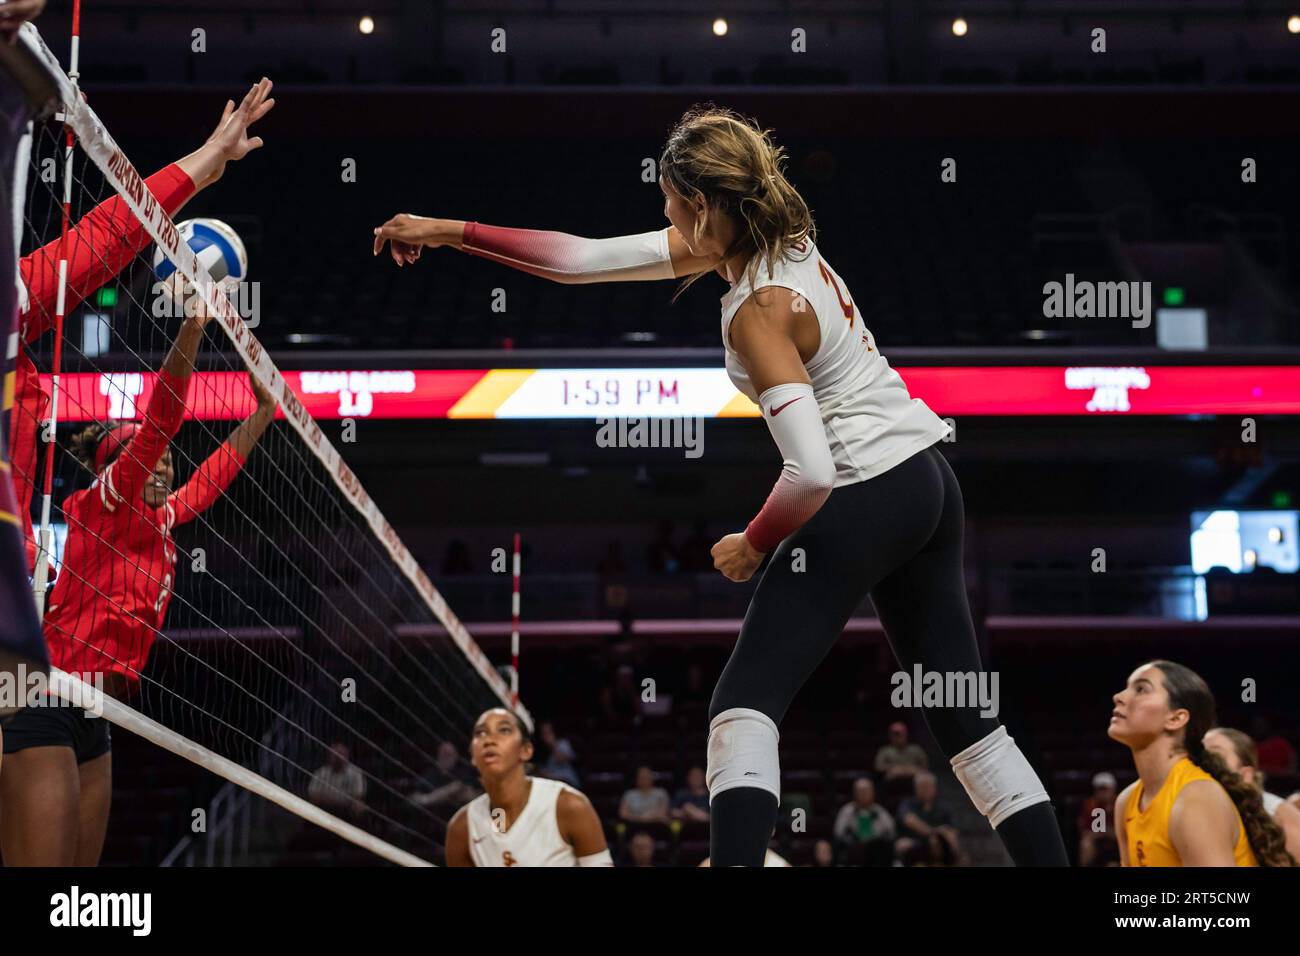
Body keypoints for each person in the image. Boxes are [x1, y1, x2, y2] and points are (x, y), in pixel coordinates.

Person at [372, 103, 1067, 867]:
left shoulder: (759, 313)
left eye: (669, 198)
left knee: (742, 707)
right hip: (927, 484)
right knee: (968, 723)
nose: (661, 210)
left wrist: (751, 543)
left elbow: (811, 472)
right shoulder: (772, 240)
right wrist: (449, 231)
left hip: (863, 490)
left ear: (701, 207)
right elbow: (580, 261)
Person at [0, 305, 277, 866]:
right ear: (115, 470)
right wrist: (192, 328)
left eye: (165, 463)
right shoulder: (108, 504)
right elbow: (161, 423)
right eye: (144, 461)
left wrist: (264, 413)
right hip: (48, 698)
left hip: (98, 714)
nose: (161, 469)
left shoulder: (163, 520)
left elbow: (210, 477)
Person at [1108, 660, 1293, 867]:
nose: (1119, 697)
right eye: (1127, 688)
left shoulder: (1196, 799)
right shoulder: (1126, 800)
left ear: (1176, 718)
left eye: (1141, 689)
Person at [444, 708, 610, 866]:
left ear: (526, 750)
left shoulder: (568, 806)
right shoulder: (461, 828)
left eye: (504, 730)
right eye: (480, 733)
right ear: (473, 756)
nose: (489, 740)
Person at [1204, 726, 1300, 861]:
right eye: (1200, 755)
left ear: (1245, 774)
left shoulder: (1277, 812)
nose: (1203, 762)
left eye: (1215, 756)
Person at [894, 771, 959, 865]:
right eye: (922, 787)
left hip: (937, 843)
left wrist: (953, 846)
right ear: (916, 788)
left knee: (949, 842)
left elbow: (952, 829)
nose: (926, 790)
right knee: (902, 845)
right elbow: (910, 820)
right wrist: (934, 832)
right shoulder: (908, 803)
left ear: (935, 788)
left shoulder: (943, 807)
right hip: (914, 840)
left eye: (928, 787)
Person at [832, 777, 895, 866]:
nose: (864, 794)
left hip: (876, 855)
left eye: (867, 791)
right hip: (854, 853)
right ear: (855, 793)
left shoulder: (880, 811)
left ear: (873, 792)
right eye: (860, 791)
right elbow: (839, 833)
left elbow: (891, 833)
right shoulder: (846, 811)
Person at [307, 742, 366, 819]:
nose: (337, 757)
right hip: (324, 808)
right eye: (334, 754)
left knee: (359, 807)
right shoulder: (321, 772)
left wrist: (329, 799)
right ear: (329, 756)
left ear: (347, 757)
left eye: (341, 754)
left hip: (346, 809)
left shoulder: (355, 773)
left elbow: (357, 796)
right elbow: (313, 795)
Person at [1076, 771, 1120, 867]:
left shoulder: (1121, 803)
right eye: (1100, 789)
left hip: (1117, 842)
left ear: (1113, 789)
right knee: (1086, 843)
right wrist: (1102, 833)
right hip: (1097, 843)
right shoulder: (1089, 805)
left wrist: (1110, 833)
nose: (1103, 793)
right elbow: (1084, 831)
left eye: (1106, 789)